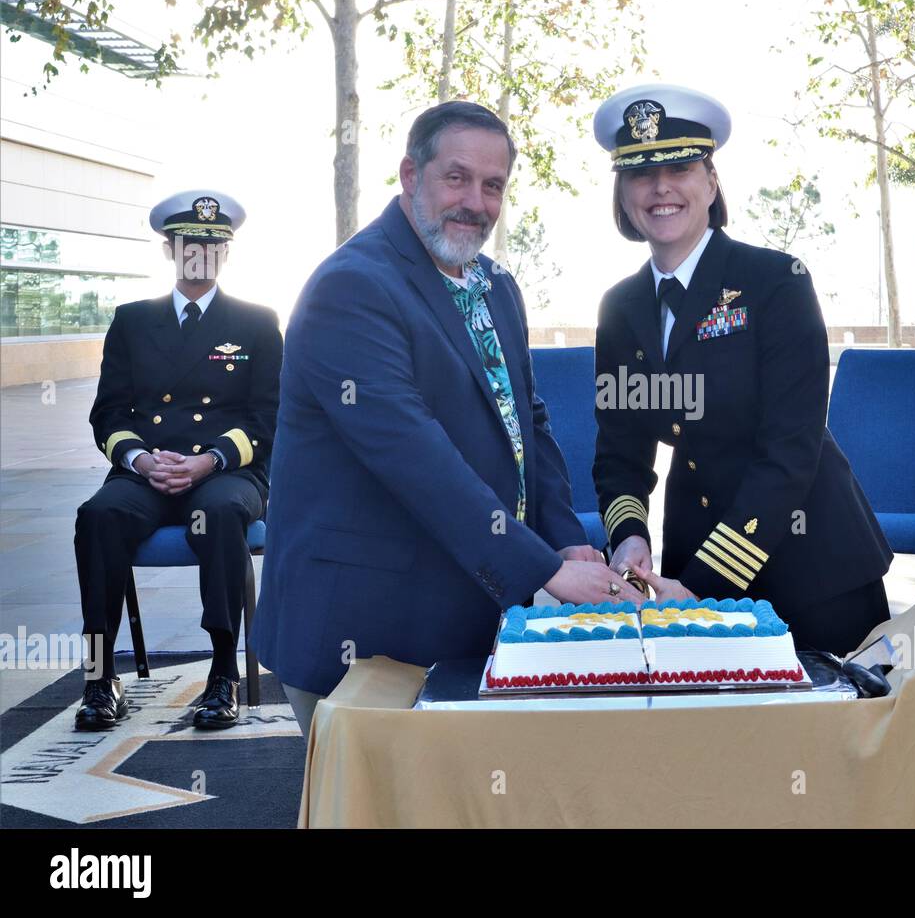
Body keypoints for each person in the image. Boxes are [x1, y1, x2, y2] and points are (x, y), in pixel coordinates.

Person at [252, 101, 644, 736]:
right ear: (411, 175)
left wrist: (565, 536)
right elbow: (413, 454)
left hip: (458, 616)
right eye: (456, 177)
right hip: (361, 629)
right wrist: (544, 570)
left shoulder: (495, 284)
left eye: (493, 186)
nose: (476, 202)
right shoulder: (352, 287)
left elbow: (528, 426)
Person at [590, 84, 893, 655]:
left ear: (710, 182)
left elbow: (790, 450)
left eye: (679, 167)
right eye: (639, 173)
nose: (660, 187)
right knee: (708, 740)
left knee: (835, 738)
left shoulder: (777, 282)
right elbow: (619, 452)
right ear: (623, 193)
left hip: (811, 563)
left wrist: (703, 586)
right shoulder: (620, 307)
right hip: (688, 559)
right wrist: (629, 537)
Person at [75, 190, 282, 731]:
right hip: (147, 470)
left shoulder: (257, 322)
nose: (201, 255)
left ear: (227, 255)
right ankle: (100, 680)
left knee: (218, 513)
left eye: (213, 246)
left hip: (226, 473)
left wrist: (209, 460)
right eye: (190, 244)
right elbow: (108, 413)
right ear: (170, 249)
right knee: (98, 517)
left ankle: (221, 674)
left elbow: (268, 417)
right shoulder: (132, 321)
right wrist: (141, 461)